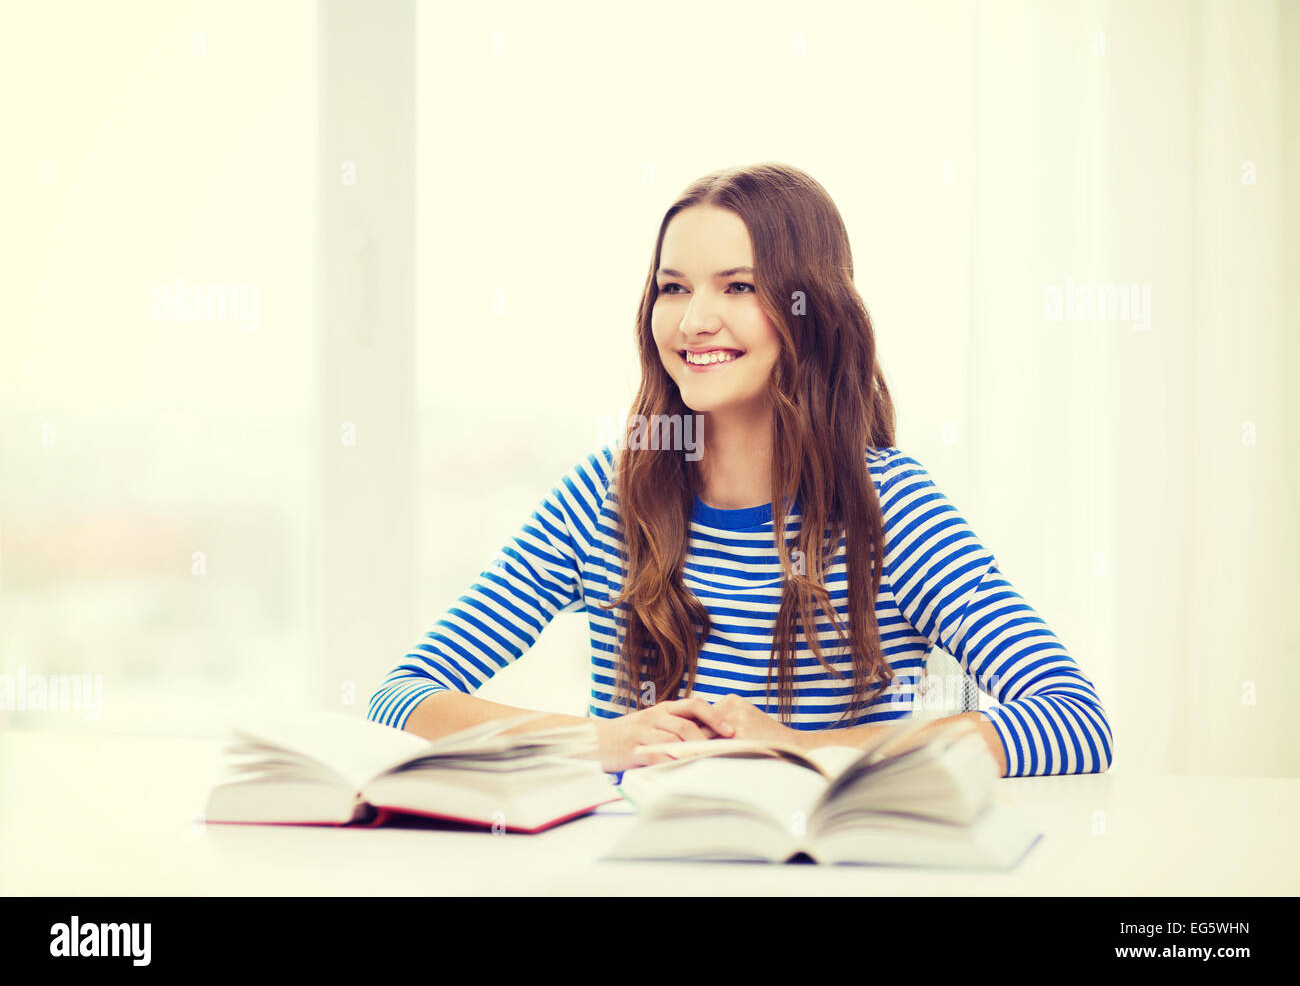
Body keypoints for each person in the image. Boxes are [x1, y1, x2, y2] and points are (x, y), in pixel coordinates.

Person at [367, 163, 1113, 778]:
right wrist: (601, 740)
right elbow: (401, 698)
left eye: (739, 287)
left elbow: (1074, 719)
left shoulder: (889, 507)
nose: (694, 320)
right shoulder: (603, 499)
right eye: (673, 287)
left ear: (809, 309)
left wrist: (803, 750)